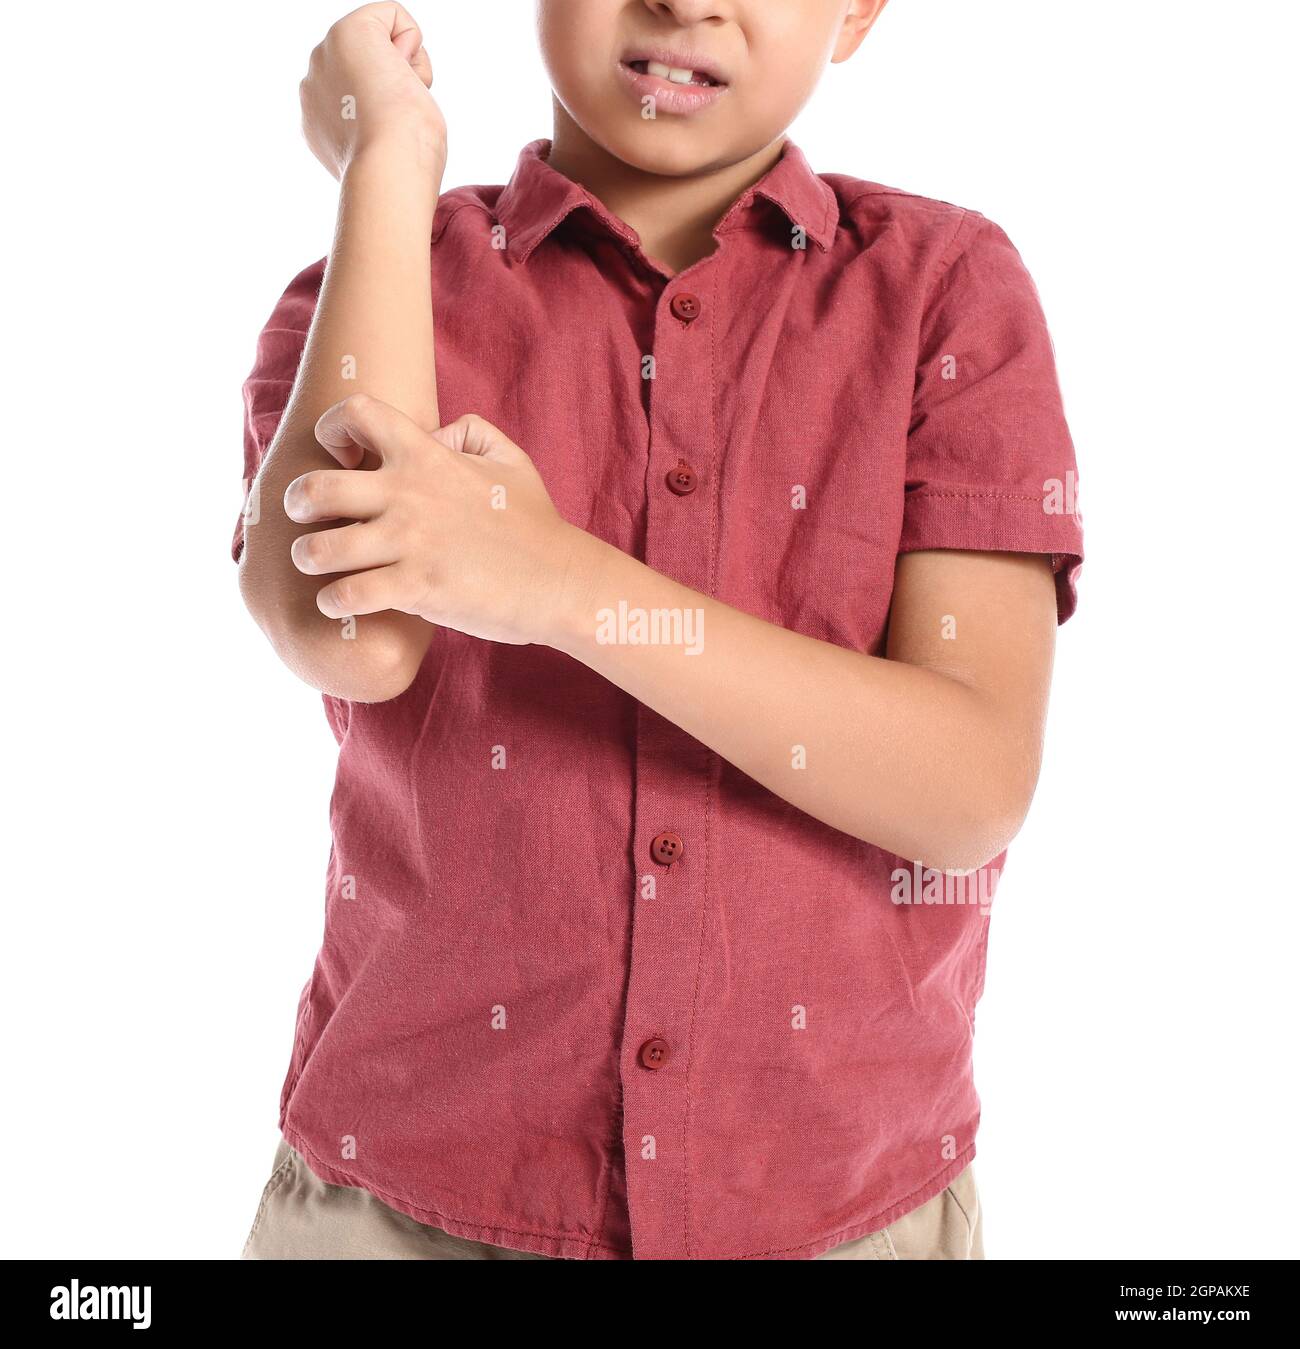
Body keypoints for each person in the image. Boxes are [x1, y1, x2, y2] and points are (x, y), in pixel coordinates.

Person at [234, 0, 1083, 1260]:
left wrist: (557, 583)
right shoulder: (376, 286)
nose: (685, 0)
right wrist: (385, 163)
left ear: (856, 13)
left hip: (834, 1202)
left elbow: (968, 785)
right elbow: (344, 638)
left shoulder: (944, 291)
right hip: (404, 1199)